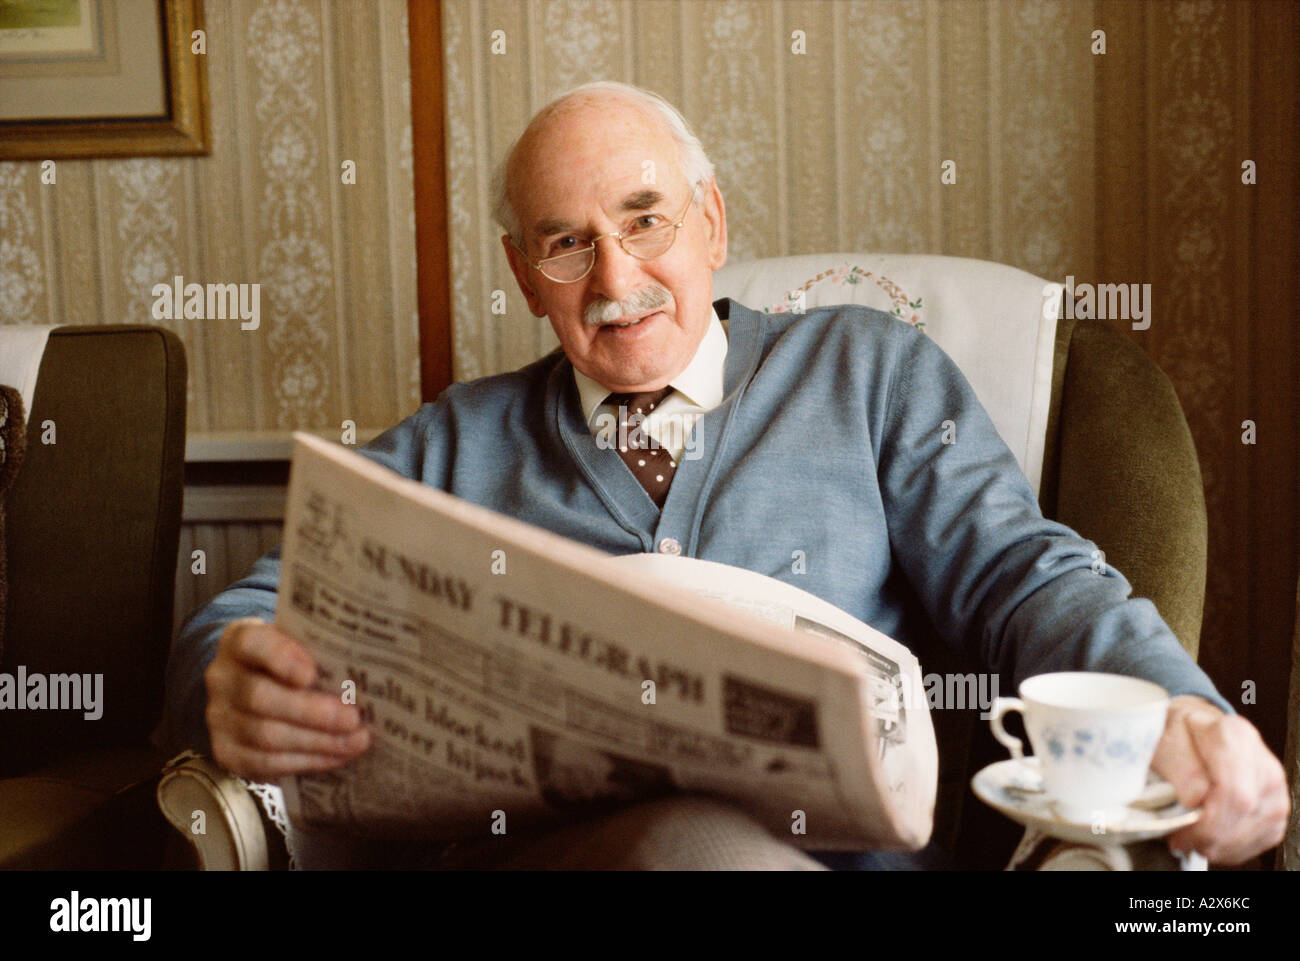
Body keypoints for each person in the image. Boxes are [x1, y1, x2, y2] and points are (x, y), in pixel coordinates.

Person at [157, 81, 1288, 869]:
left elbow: (1025, 576)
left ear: (710, 222)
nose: (615, 276)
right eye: (565, 242)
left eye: (646, 220)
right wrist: (236, 669)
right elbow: (255, 602)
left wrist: (1178, 710)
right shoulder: (463, 438)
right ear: (523, 273)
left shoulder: (864, 370)